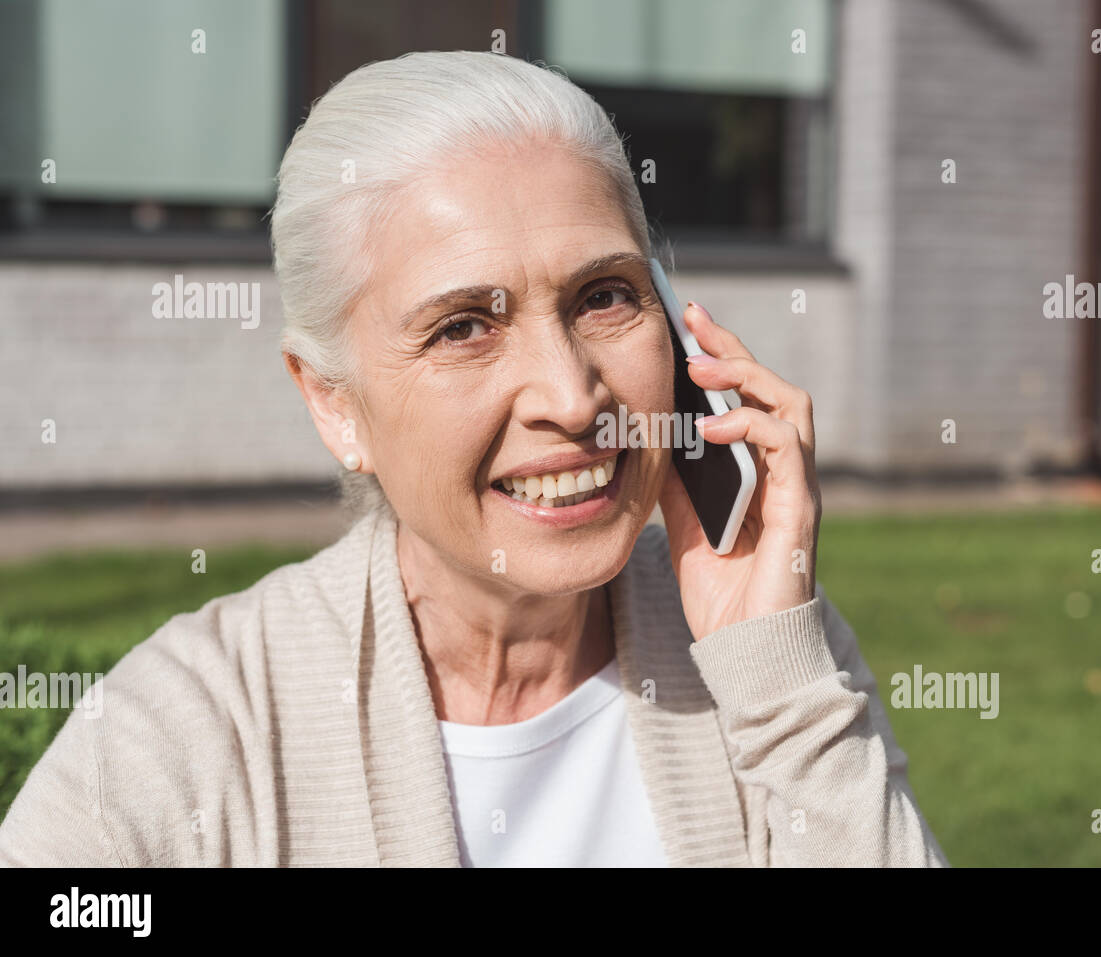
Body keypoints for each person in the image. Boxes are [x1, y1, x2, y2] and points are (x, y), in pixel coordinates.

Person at [0, 51, 948, 867]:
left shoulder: (764, 654)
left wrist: (773, 674)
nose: (573, 398)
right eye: (464, 326)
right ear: (334, 403)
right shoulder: (184, 734)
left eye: (605, 297)